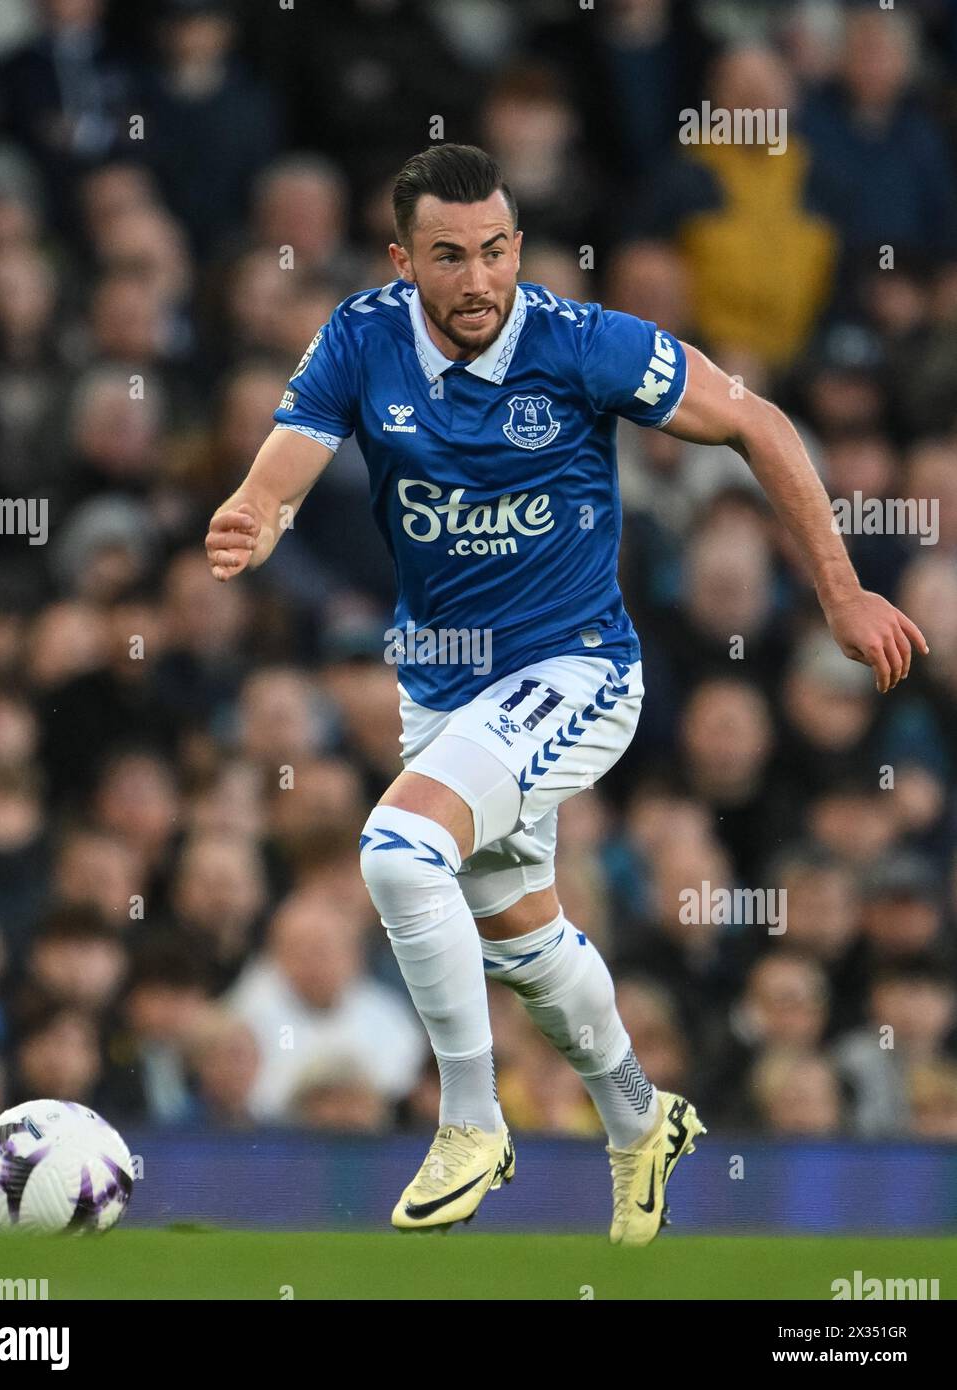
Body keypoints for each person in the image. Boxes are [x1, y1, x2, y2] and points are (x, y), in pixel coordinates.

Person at [205, 144, 929, 1244]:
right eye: (449, 257)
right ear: (405, 261)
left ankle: (470, 1123)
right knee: (524, 942)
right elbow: (285, 463)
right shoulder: (360, 337)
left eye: (496, 250)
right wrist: (253, 519)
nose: (479, 279)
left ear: (518, 248)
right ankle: (642, 1118)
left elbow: (757, 422)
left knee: (399, 852)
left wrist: (838, 594)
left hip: (576, 671)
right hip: (444, 689)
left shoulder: (581, 344)